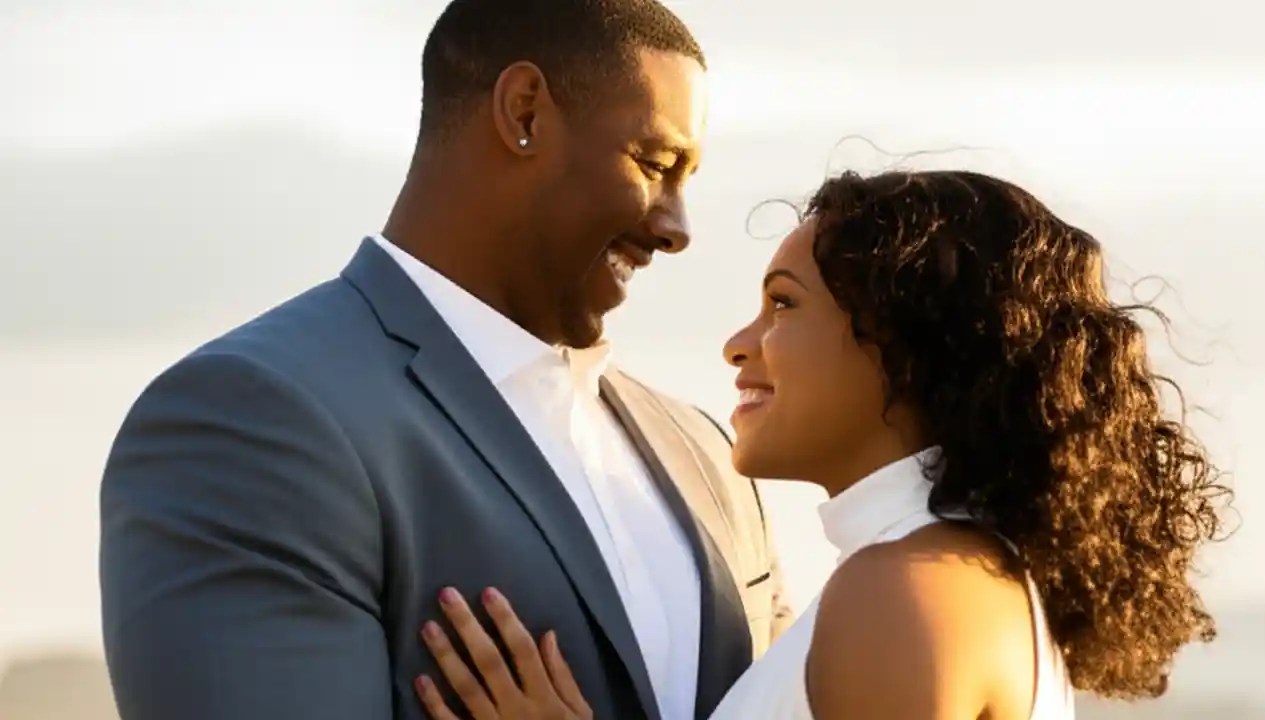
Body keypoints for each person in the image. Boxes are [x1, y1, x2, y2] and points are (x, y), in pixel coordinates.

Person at [98, 1, 792, 719]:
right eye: (655, 164)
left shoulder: (708, 457)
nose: (677, 228)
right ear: (524, 112)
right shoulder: (252, 423)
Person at [411, 170, 1231, 720]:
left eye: (783, 304)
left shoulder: (905, 590)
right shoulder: (950, 574)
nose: (739, 344)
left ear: (905, 346)